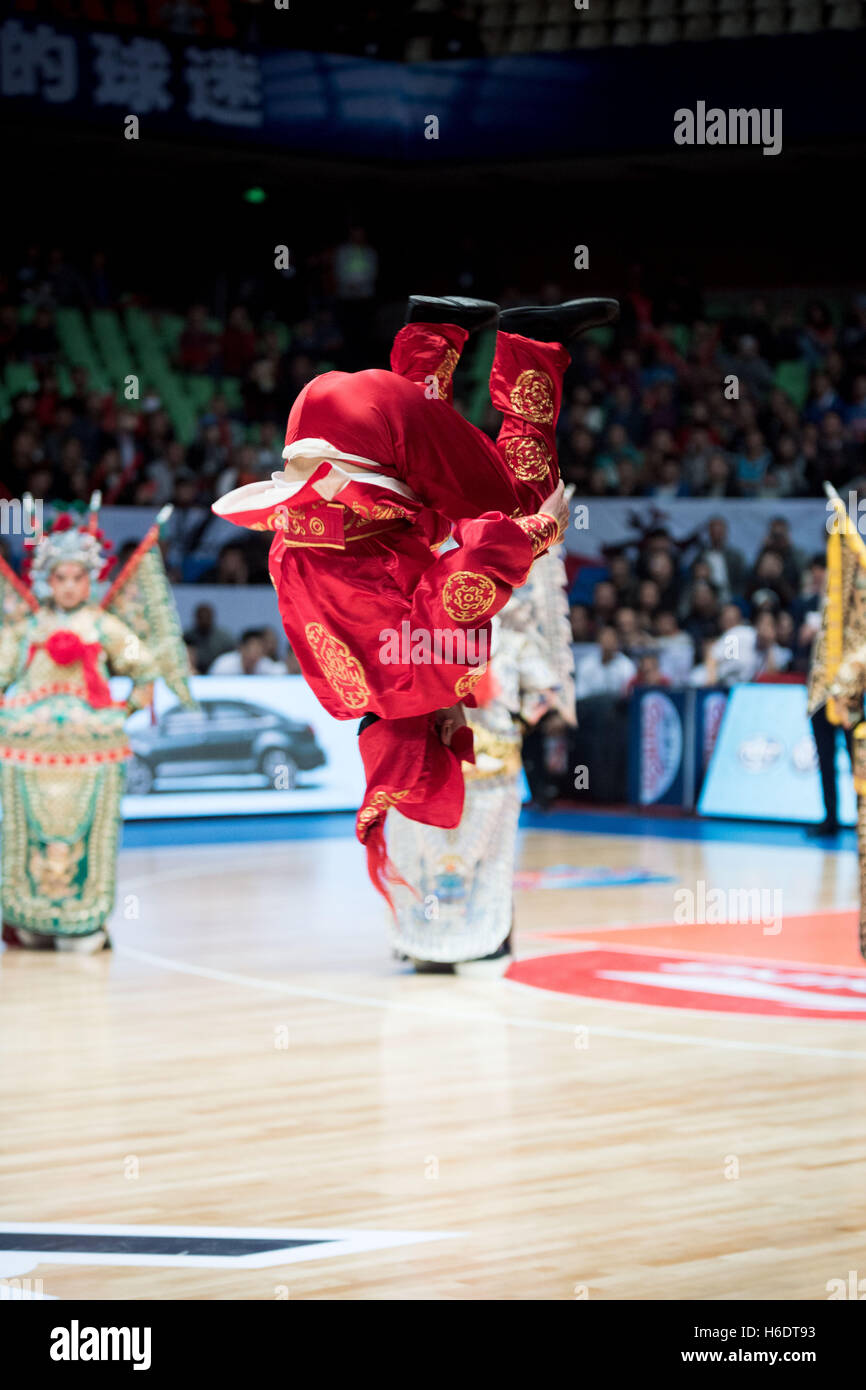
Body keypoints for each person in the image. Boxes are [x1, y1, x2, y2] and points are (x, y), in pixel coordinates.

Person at [214, 293, 618, 901]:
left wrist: (538, 534)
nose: (459, 720)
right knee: (437, 500)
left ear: (424, 733)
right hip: (318, 435)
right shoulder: (341, 690)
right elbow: (372, 569)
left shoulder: (415, 684)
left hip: (371, 440)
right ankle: (435, 327)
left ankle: (532, 342)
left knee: (519, 501)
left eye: (447, 735)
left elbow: (460, 585)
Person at [0, 499, 192, 951]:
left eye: (78, 577)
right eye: (61, 577)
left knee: (87, 828)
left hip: (92, 747)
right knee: (28, 830)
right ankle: (32, 916)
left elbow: (146, 667)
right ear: (46, 580)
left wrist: (121, 712)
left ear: (91, 578)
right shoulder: (28, 628)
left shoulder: (103, 626)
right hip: (30, 747)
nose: (69, 586)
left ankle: (84, 917)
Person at [386, 547, 574, 973]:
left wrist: (516, 726)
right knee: (421, 853)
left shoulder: (511, 639)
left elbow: (546, 692)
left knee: (486, 857)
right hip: (432, 762)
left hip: (490, 767)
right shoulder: (421, 633)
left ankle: (485, 939)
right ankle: (421, 941)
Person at [183, 601, 234, 673]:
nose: (204, 620)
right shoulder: (186, 637)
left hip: (218, 674)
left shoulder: (224, 638)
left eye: (207, 617)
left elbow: (232, 657)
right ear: (196, 618)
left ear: (212, 617)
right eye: (201, 617)